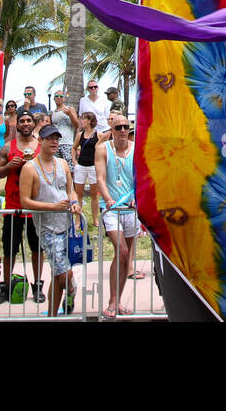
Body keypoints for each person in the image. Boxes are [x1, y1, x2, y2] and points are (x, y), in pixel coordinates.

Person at [19, 125, 81, 317]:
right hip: (47, 228)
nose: (54, 141)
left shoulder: (62, 164)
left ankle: (53, 314)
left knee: (57, 275)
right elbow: (25, 201)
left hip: (67, 226)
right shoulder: (30, 168)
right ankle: (71, 290)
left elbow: (71, 190)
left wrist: (75, 203)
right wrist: (52, 207)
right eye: (49, 138)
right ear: (41, 141)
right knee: (63, 275)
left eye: (56, 138)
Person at [0, 109, 42, 304]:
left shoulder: (41, 146)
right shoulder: (8, 147)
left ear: (33, 124)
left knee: (37, 249)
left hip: (35, 206)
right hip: (13, 205)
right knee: (9, 249)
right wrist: (9, 166)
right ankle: (6, 287)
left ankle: (38, 286)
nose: (25, 123)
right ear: (18, 124)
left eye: (28, 120)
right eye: (22, 120)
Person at [96, 113, 138, 318]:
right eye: (118, 127)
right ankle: (112, 301)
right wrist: (108, 198)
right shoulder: (103, 149)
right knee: (120, 251)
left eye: (125, 128)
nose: (122, 131)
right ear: (111, 130)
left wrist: (137, 198)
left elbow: (141, 176)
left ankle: (118, 300)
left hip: (131, 208)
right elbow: (100, 177)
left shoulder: (135, 149)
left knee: (126, 257)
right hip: (111, 208)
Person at [74, 112, 102, 226]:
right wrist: (74, 161)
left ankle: (95, 219)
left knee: (94, 194)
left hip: (93, 167)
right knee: (78, 193)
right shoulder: (80, 135)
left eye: (84, 119)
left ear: (90, 121)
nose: (82, 121)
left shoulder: (98, 135)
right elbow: (74, 147)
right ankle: (77, 220)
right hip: (81, 166)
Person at [50, 92, 78, 164]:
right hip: (56, 143)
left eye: (61, 96)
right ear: (54, 98)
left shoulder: (69, 109)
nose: (59, 98)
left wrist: (70, 114)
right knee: (57, 166)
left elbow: (77, 125)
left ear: (64, 98)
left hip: (67, 143)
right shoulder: (53, 112)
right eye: (57, 96)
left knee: (69, 167)